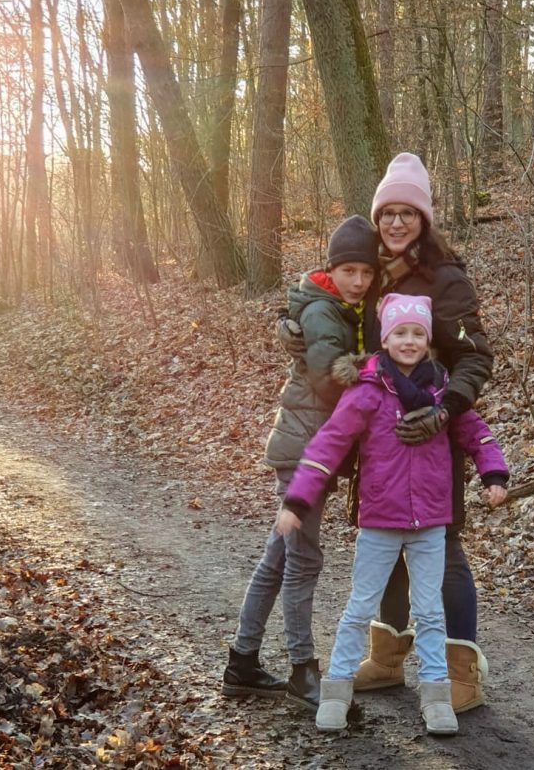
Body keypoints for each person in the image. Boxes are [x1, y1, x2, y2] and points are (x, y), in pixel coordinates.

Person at [279, 152, 507, 712]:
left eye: (409, 213)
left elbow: (475, 357)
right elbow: (339, 315)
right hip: (378, 440)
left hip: (432, 437)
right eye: (389, 213)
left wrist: (447, 409)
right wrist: (300, 335)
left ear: (424, 220)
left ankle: (460, 674)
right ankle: (386, 658)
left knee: (443, 551)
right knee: (384, 544)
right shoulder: (374, 273)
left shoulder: (444, 279)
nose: (397, 222)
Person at [222, 215, 381, 710]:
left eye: (366, 272)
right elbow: (328, 380)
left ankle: (242, 662)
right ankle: (302, 670)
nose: (358, 281)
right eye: (349, 270)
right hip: (305, 452)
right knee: (303, 560)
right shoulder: (324, 313)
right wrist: (381, 371)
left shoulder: (339, 308)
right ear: (332, 270)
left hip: (313, 449)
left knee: (279, 557)